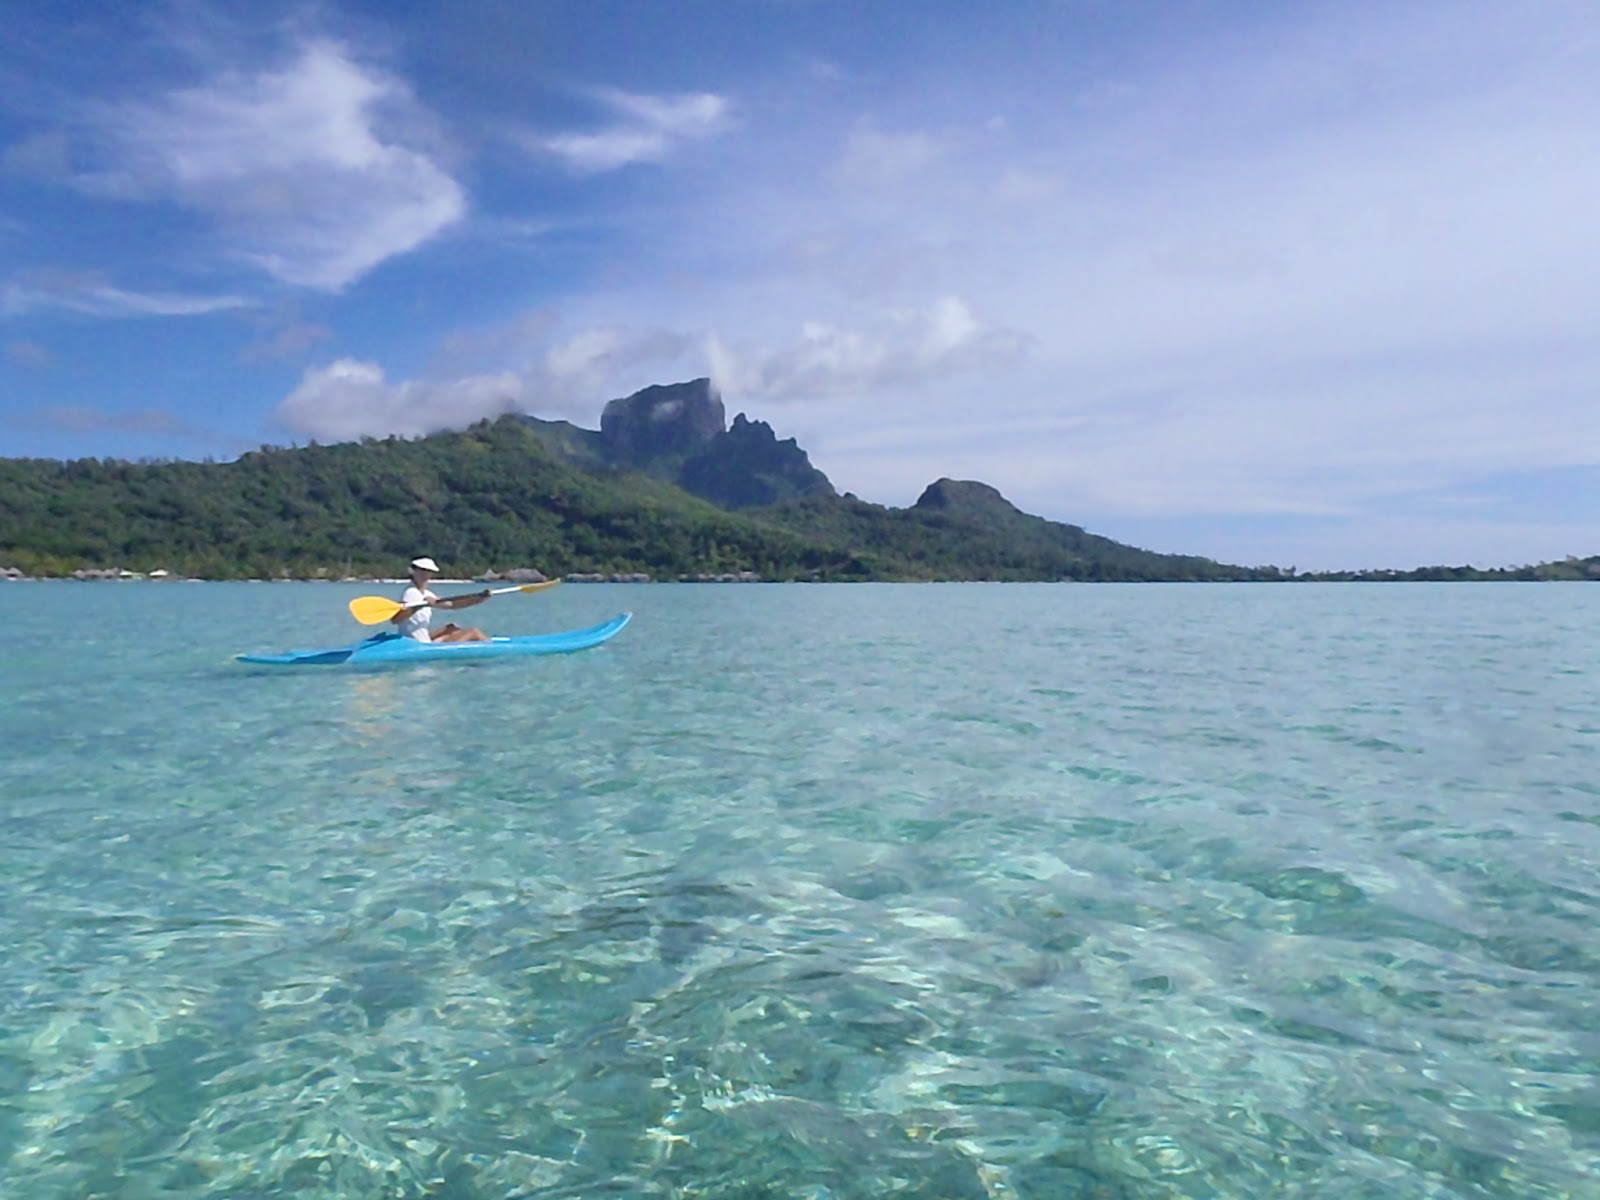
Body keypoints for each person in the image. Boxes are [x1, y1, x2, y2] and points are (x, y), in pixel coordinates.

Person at [391, 556, 491, 643]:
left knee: (452, 628)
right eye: (422, 570)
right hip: (416, 644)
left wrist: (479, 598)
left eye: (428, 571)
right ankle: (493, 648)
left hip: (424, 640)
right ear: (413, 571)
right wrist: (419, 606)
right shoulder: (410, 592)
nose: (425, 574)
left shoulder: (427, 593)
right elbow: (396, 619)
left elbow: (452, 604)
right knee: (474, 632)